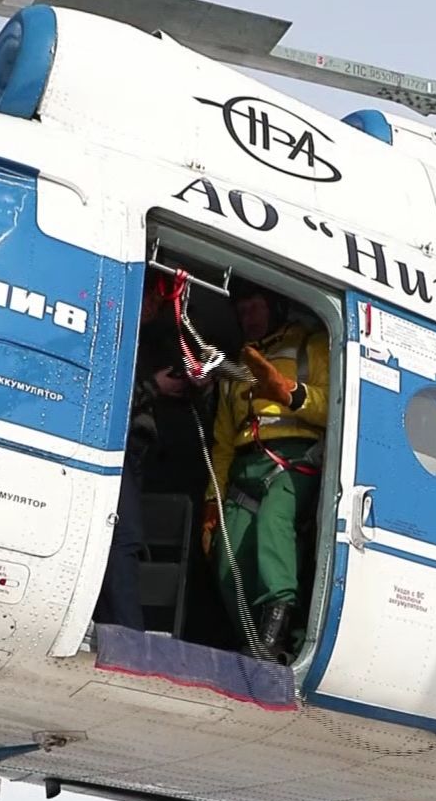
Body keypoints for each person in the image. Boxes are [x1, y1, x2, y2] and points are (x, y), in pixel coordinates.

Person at [93, 273, 240, 633]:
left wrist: (197, 387)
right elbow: (103, 400)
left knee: (124, 542)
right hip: (113, 450)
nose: (153, 307)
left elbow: (195, 407)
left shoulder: (156, 343)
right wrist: (152, 385)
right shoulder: (110, 336)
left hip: (143, 456)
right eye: (149, 298)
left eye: (158, 302)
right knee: (124, 541)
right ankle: (128, 632)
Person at [203, 280, 330, 661]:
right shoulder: (236, 369)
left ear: (274, 306)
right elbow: (223, 444)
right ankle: (256, 643)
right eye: (242, 312)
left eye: (255, 307)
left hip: (296, 459)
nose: (248, 318)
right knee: (226, 556)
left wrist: (289, 392)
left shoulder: (312, 344)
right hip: (245, 464)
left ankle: (277, 629)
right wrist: (213, 501)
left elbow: (338, 405)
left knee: (274, 522)